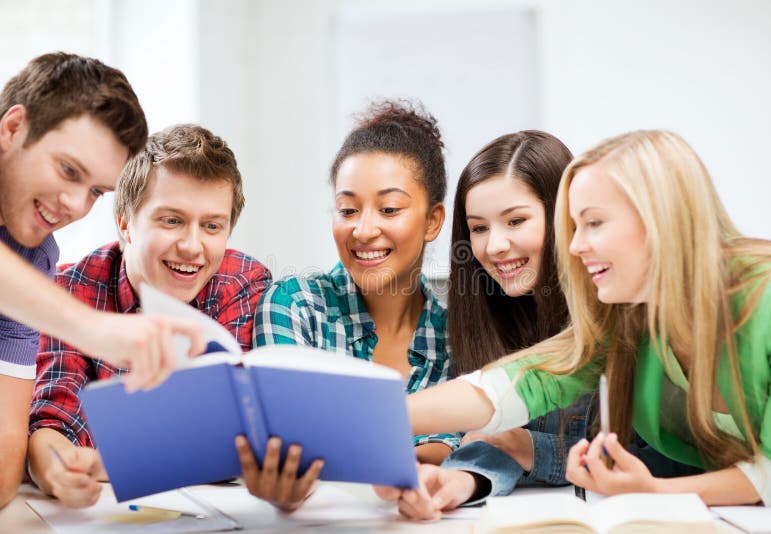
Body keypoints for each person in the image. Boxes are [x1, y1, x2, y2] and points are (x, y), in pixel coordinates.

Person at [405, 129, 771, 507]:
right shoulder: (632, 315)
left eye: (592, 223)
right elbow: (524, 383)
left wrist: (652, 492)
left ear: (660, 217)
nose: (574, 247)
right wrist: (382, 416)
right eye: (574, 227)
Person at [26, 124, 271, 508]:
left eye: (212, 226)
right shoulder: (70, 288)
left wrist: (108, 459)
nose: (192, 246)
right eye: (171, 220)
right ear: (125, 223)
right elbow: (54, 422)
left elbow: (228, 439)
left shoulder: (241, 282)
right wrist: (57, 467)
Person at [0, 53, 203, 508]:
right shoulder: (44, 292)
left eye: (95, 190)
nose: (74, 204)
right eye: (68, 170)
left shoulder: (33, 261)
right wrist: (95, 330)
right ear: (12, 129)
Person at [238, 100, 452, 511]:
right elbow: (287, 439)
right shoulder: (294, 305)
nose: (363, 229)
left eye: (389, 209)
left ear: (433, 221)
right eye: (347, 209)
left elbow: (457, 448)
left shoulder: (455, 338)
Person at [376, 131, 592, 518]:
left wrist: (530, 448)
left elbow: (623, 449)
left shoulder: (607, 310)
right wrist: (460, 481)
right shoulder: (487, 314)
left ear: (565, 216)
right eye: (479, 228)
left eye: (516, 221)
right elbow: (492, 434)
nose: (494, 246)